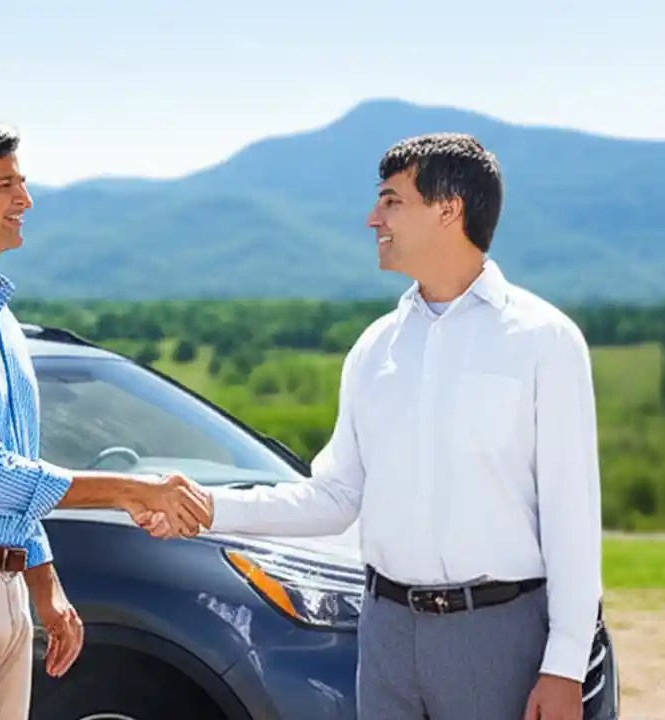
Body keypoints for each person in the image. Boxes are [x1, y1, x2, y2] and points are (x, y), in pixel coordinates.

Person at [145, 133, 602, 720]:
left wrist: (564, 664)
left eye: (391, 201)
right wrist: (208, 508)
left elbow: (573, 515)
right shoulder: (375, 347)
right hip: (385, 634)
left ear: (448, 210)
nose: (372, 218)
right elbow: (334, 497)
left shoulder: (545, 341)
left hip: (498, 635)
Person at [0, 118, 212, 720]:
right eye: (6, 185)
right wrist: (128, 490)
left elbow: (13, 464)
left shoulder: (0, 320)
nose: (26, 200)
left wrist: (43, 584)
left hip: (0, 585)